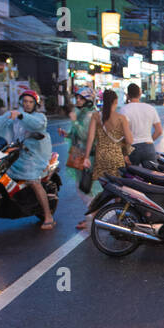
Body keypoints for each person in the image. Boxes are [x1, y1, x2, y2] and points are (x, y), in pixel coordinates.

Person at [0, 90, 55, 228]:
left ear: (35, 104)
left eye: (30, 102)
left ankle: (48, 216)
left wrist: (22, 116)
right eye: (25, 101)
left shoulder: (39, 117)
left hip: (32, 157)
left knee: (33, 181)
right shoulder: (13, 115)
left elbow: (38, 125)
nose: (27, 104)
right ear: (21, 103)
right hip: (14, 153)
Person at [84, 90, 133, 194]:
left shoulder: (96, 116)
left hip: (101, 155)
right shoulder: (121, 118)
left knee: (104, 187)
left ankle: (103, 208)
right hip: (116, 156)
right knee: (117, 190)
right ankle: (115, 208)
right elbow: (129, 140)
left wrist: (86, 157)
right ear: (115, 101)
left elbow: (90, 137)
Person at [64, 89, 95, 229]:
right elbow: (77, 134)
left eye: (81, 99)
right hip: (77, 152)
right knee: (81, 186)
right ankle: (91, 215)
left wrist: (75, 122)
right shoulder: (81, 114)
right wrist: (67, 134)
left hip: (85, 154)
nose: (78, 101)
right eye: (77, 98)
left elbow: (86, 136)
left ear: (88, 100)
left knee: (84, 187)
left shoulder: (89, 115)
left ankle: (92, 216)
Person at [123, 82, 162, 165]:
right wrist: (149, 140)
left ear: (128, 95)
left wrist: (124, 153)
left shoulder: (124, 110)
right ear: (140, 94)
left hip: (132, 148)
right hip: (149, 146)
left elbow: (122, 134)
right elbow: (159, 131)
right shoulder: (150, 108)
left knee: (131, 175)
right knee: (151, 175)